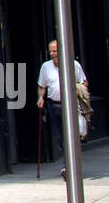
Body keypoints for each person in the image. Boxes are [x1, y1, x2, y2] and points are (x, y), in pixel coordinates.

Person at [37, 39, 87, 171]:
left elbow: (84, 83)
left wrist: (77, 90)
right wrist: (40, 97)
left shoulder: (73, 64)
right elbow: (42, 86)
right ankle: (70, 163)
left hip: (71, 105)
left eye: (55, 51)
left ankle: (69, 166)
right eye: (51, 51)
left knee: (71, 135)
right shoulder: (45, 67)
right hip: (54, 106)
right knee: (60, 137)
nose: (52, 54)